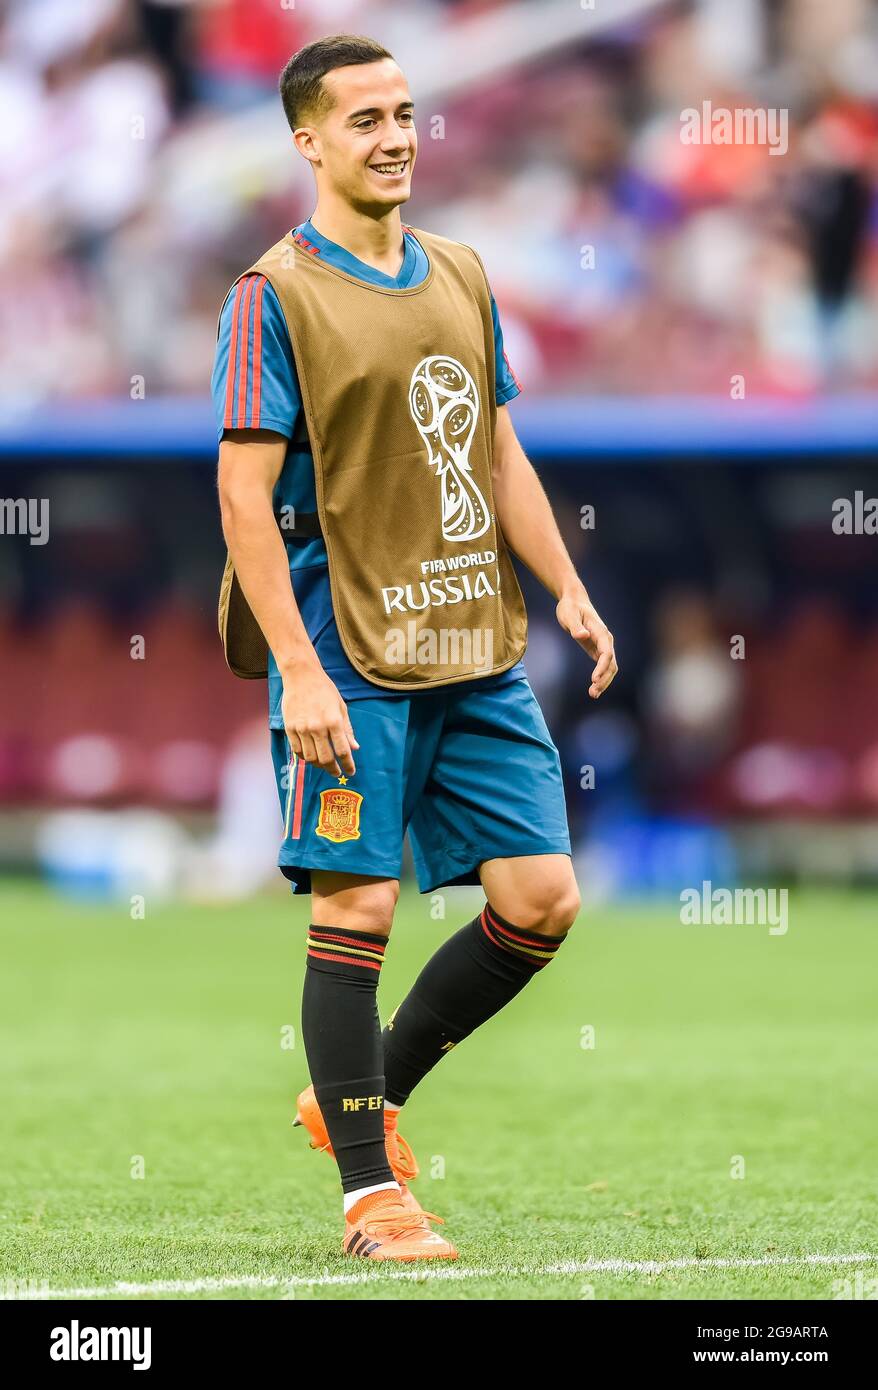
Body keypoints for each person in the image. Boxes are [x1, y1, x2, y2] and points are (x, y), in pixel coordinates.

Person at [213, 33, 618, 1262]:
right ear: (308, 141)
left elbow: (499, 451)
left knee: (540, 901)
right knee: (360, 902)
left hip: (471, 634)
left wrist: (566, 586)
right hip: (346, 644)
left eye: (404, 113)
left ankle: (362, 1093)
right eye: (364, 119)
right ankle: (367, 1198)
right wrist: (294, 665)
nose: (394, 137)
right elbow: (240, 498)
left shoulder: (461, 272)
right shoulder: (269, 296)